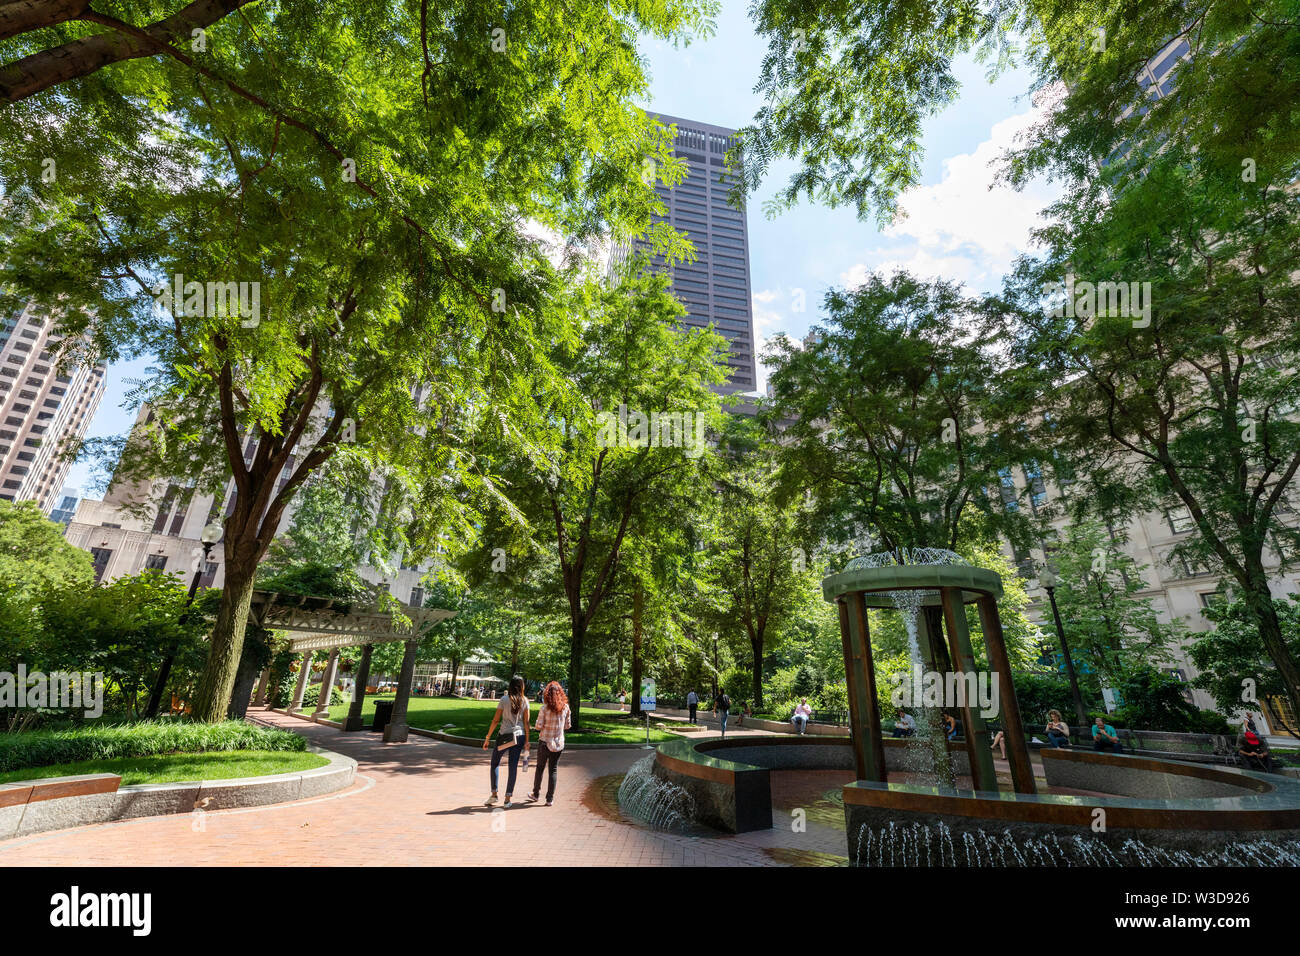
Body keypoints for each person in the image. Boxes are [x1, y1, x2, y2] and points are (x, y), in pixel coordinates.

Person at [483, 675, 530, 808]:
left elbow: (496, 720)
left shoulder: (504, 699)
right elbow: (526, 722)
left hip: (504, 736)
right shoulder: (525, 700)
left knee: (495, 763)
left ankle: (494, 795)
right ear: (522, 687)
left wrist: (487, 737)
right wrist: (527, 740)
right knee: (513, 766)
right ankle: (507, 799)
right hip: (519, 736)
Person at [527, 680, 572, 806]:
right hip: (558, 744)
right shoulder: (566, 708)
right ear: (560, 693)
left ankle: (535, 794)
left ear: (547, 693)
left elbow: (538, 726)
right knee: (553, 770)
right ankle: (549, 799)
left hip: (545, 742)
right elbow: (568, 726)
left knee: (540, 768)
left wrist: (539, 726)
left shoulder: (544, 708)